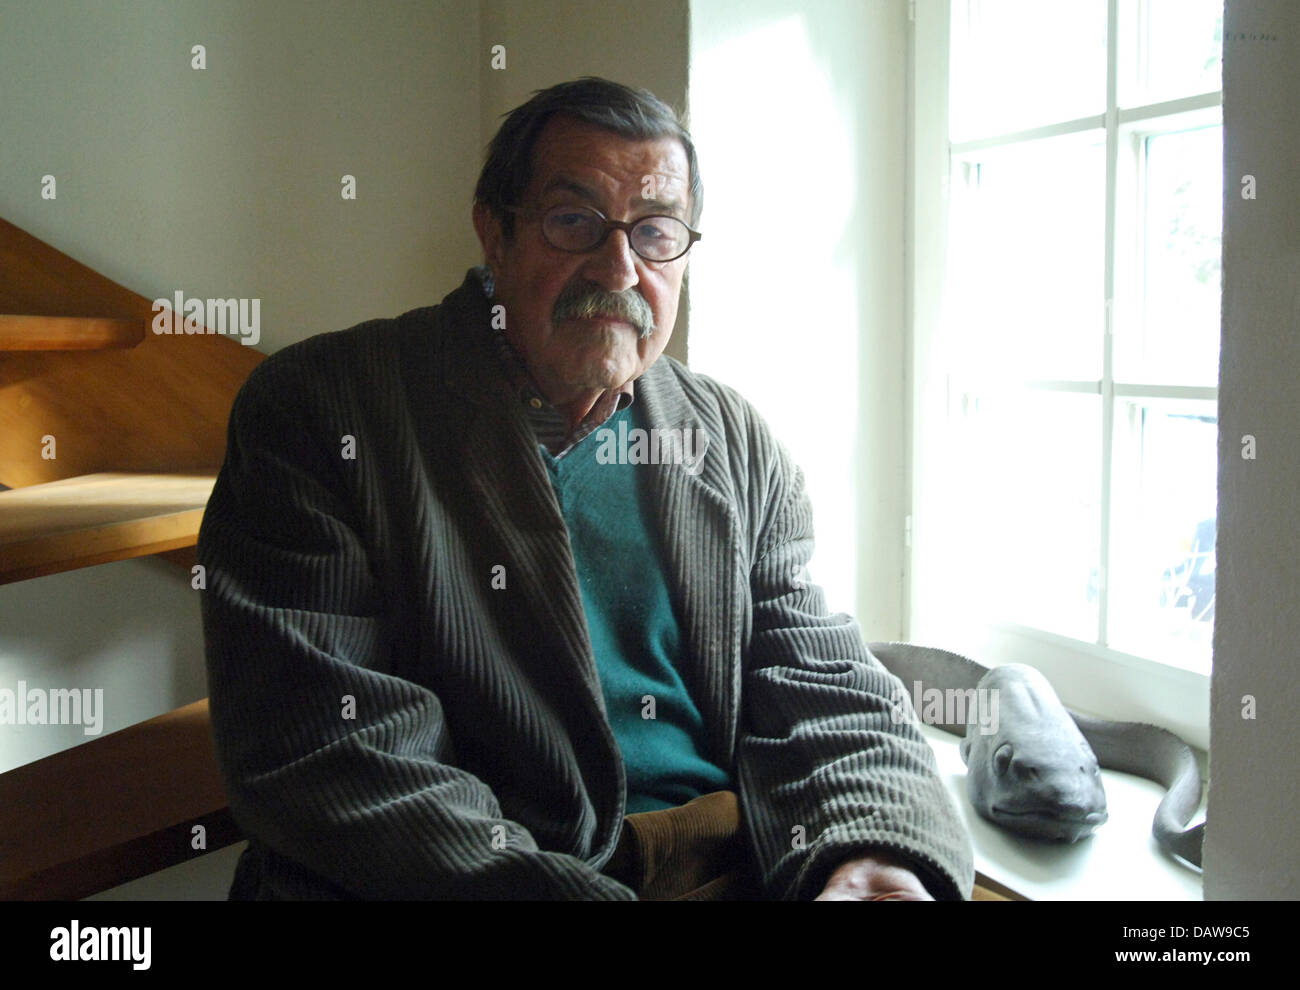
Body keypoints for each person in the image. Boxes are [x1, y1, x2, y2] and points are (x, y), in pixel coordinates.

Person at [199, 77, 973, 901]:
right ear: (494, 234)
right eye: (575, 222)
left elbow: (823, 686)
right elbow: (330, 754)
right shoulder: (322, 412)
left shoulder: (733, 440)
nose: (620, 266)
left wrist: (874, 857)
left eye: (655, 231)